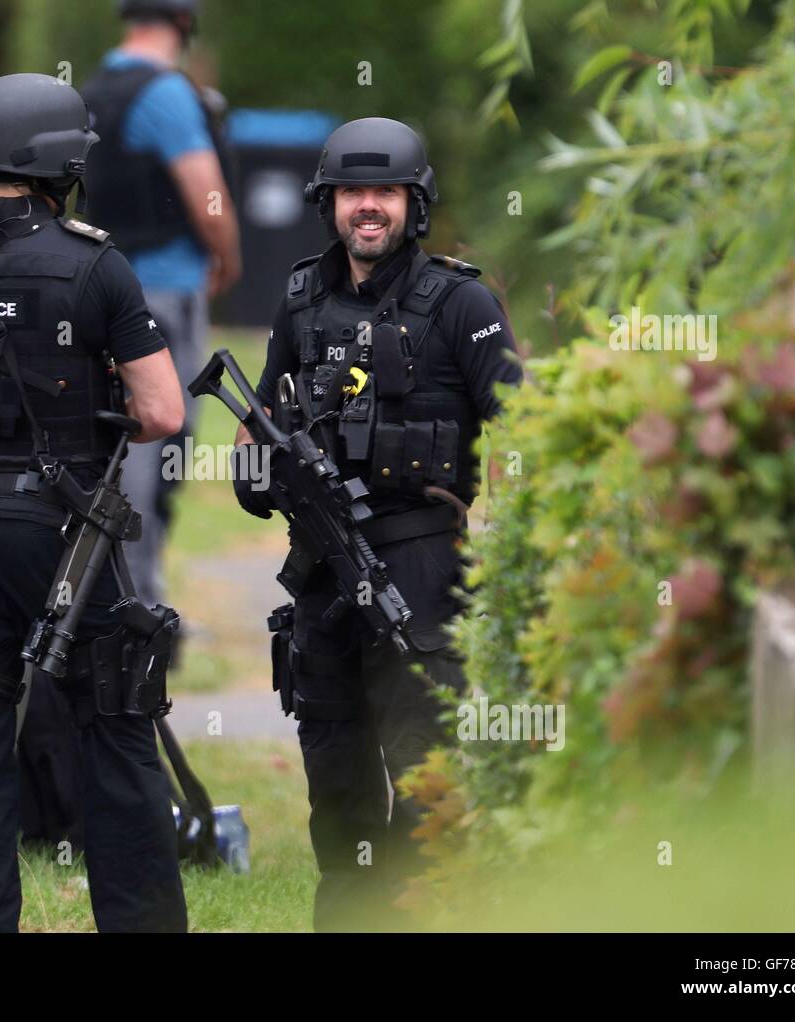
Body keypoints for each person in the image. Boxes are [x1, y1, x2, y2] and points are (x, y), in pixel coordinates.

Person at [0, 73, 189, 933]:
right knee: (116, 721)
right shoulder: (96, 267)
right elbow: (164, 410)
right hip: (64, 530)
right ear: (63, 166)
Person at [233, 117, 523, 931]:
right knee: (339, 790)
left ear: (413, 205)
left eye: (384, 194)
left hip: (422, 575)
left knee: (429, 786)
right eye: (354, 194)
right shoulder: (299, 300)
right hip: (323, 577)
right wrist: (253, 471)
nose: (369, 209)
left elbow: (522, 425)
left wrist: (503, 525)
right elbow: (261, 412)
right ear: (329, 204)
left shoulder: (461, 302)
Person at [81, 0, 240, 610]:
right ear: (183, 22)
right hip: (165, 296)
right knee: (155, 454)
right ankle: (138, 609)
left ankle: (102, 597)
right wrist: (228, 260)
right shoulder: (167, 94)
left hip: (101, 284)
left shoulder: (93, 90)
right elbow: (209, 202)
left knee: (114, 450)